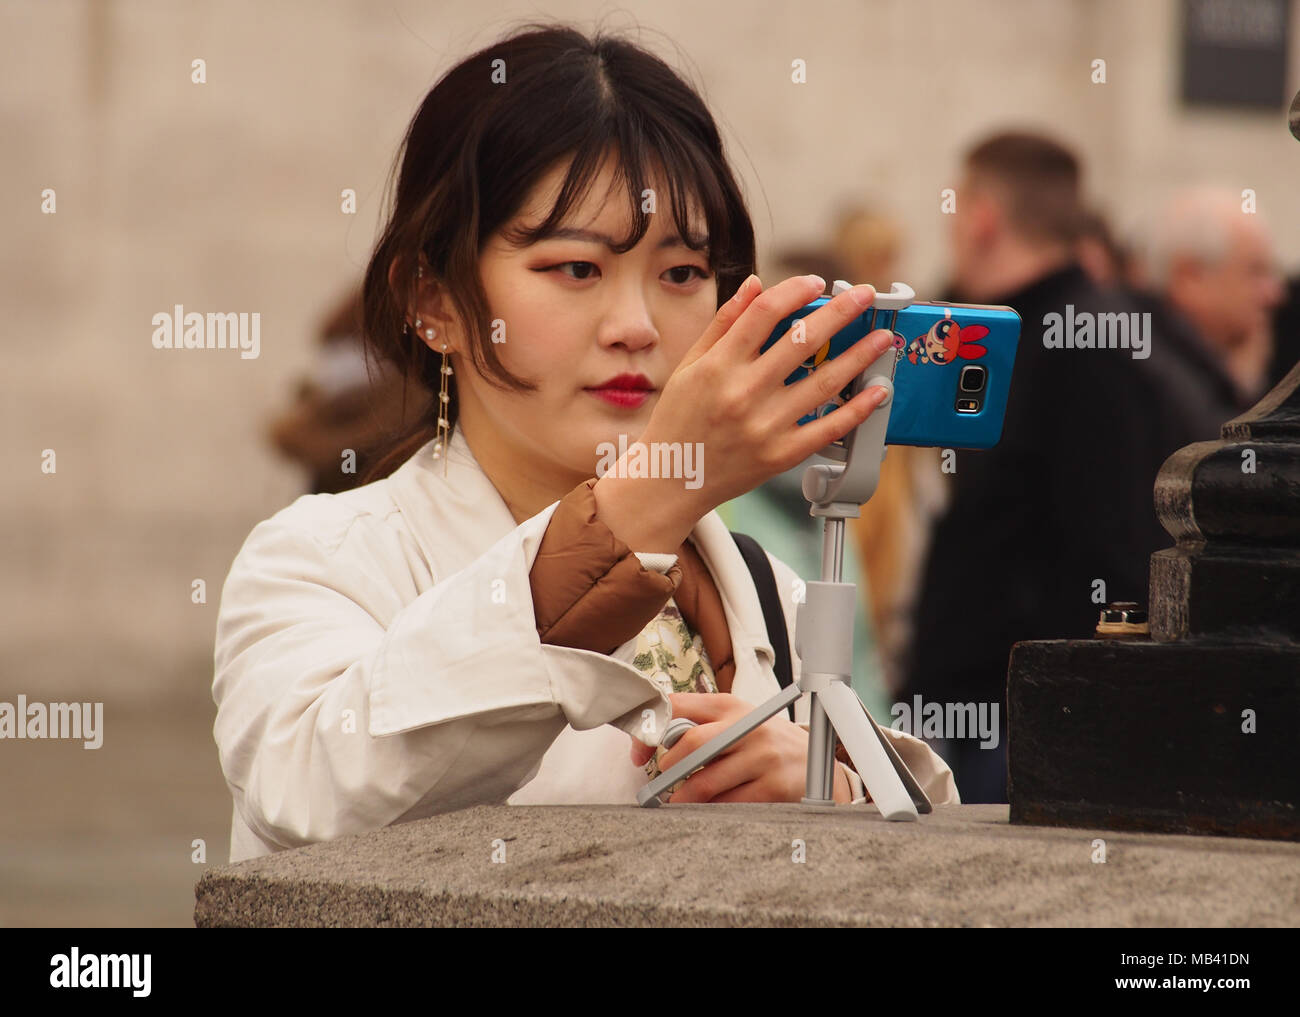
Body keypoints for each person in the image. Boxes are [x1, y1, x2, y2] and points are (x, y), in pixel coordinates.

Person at [212, 22, 958, 863]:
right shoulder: (319, 561)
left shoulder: (761, 583)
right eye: (576, 268)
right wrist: (656, 494)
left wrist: (832, 785)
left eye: (680, 274)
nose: (636, 326)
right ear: (434, 299)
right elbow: (313, 791)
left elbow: (939, 847)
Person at [899, 131, 1193, 803]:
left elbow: (1116, 550)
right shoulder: (1091, 327)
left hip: (1023, 725)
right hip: (1004, 711)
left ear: (981, 218)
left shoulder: (1073, 348)